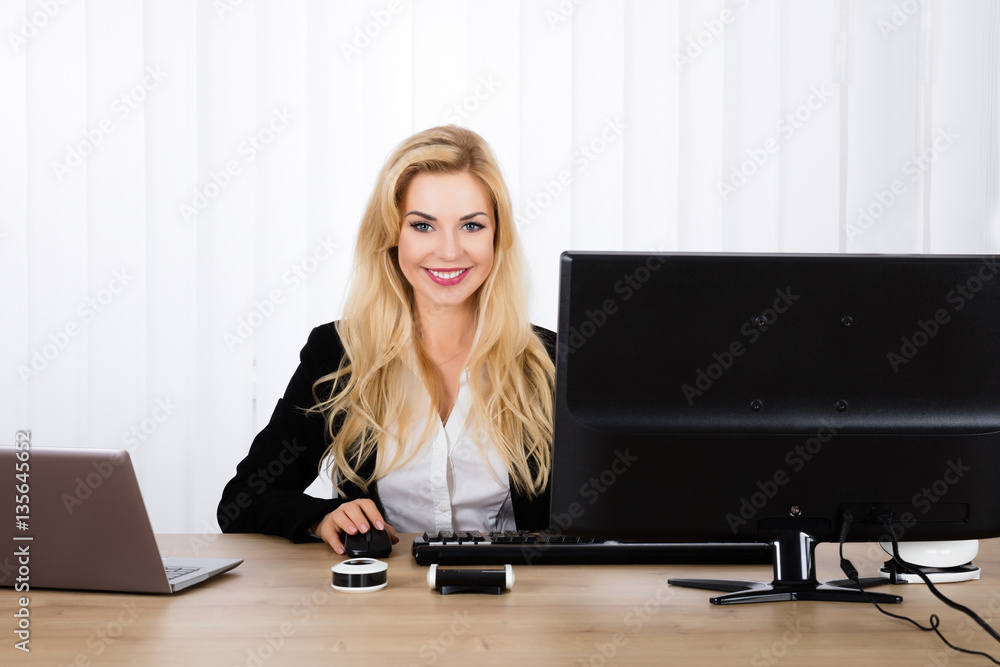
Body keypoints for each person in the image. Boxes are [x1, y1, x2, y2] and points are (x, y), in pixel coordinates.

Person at [218, 126, 556, 555]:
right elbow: (242, 501)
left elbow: (602, 518)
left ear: (496, 237)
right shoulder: (338, 353)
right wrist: (321, 518)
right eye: (423, 226)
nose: (450, 251)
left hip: (517, 603)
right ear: (392, 235)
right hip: (380, 604)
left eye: (471, 225)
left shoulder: (551, 362)